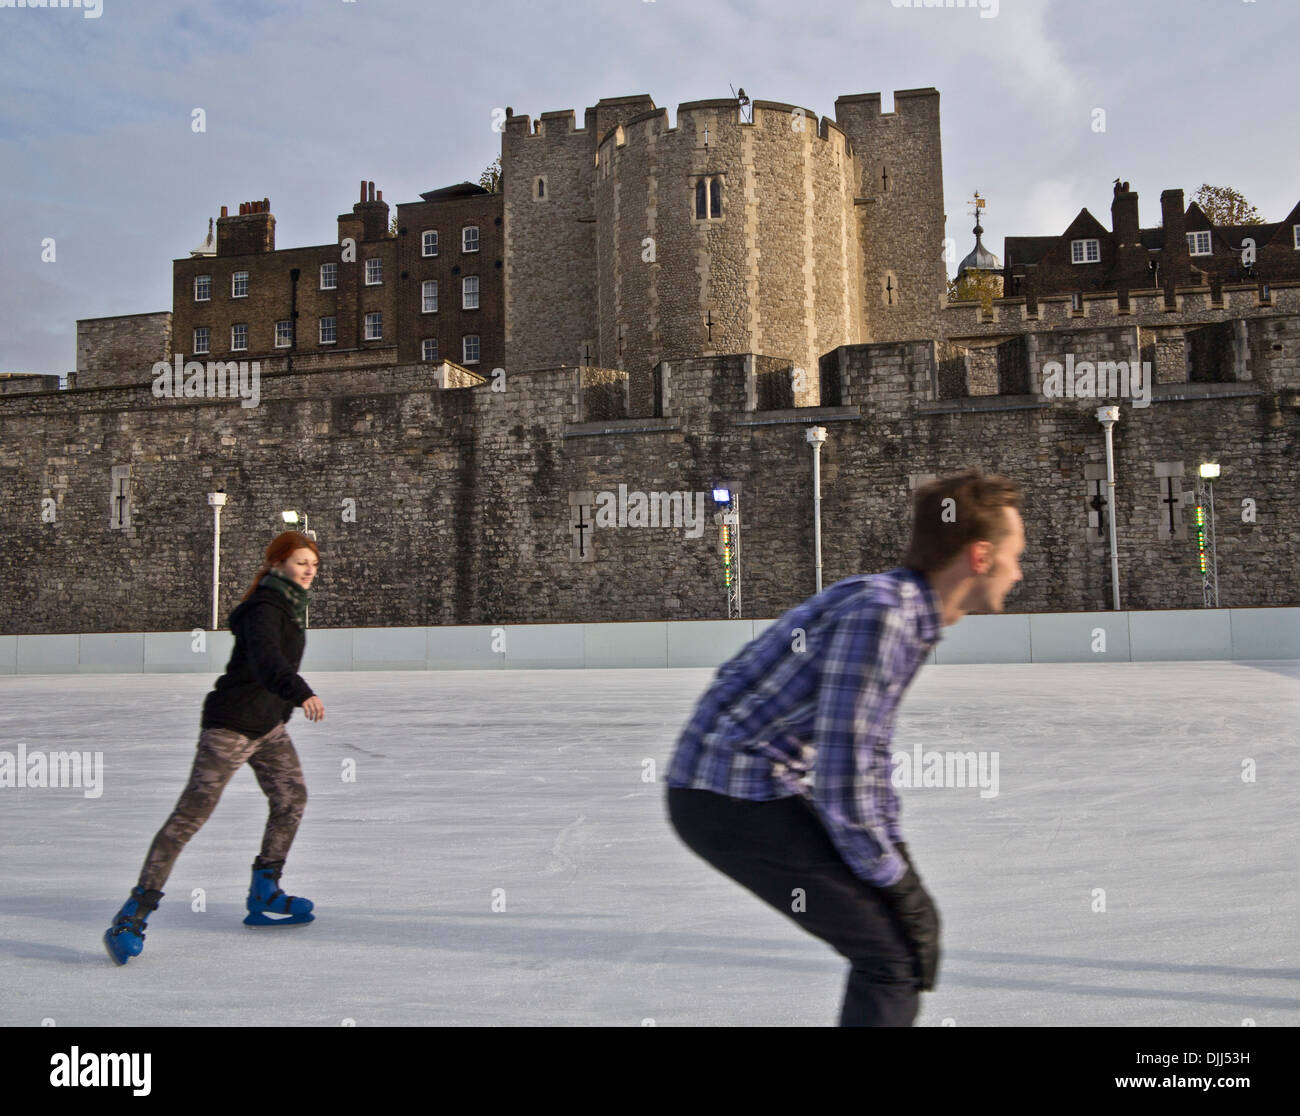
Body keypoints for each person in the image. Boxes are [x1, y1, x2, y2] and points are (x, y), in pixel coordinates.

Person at [665, 468, 1024, 1025]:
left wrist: (896, 866)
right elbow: (845, 770)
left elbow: (868, 755)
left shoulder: (898, 606)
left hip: (739, 785)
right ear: (980, 557)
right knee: (890, 960)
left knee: (893, 949)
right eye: (1013, 555)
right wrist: (900, 886)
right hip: (725, 794)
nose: (1017, 571)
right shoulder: (886, 616)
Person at [104, 531, 326, 965]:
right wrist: (299, 692)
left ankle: (265, 890)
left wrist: (282, 710)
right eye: (301, 562)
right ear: (278, 563)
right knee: (191, 815)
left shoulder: (289, 607)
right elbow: (267, 661)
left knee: (291, 798)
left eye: (314, 565)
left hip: (266, 728)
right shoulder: (263, 609)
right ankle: (134, 913)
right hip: (230, 726)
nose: (309, 571)